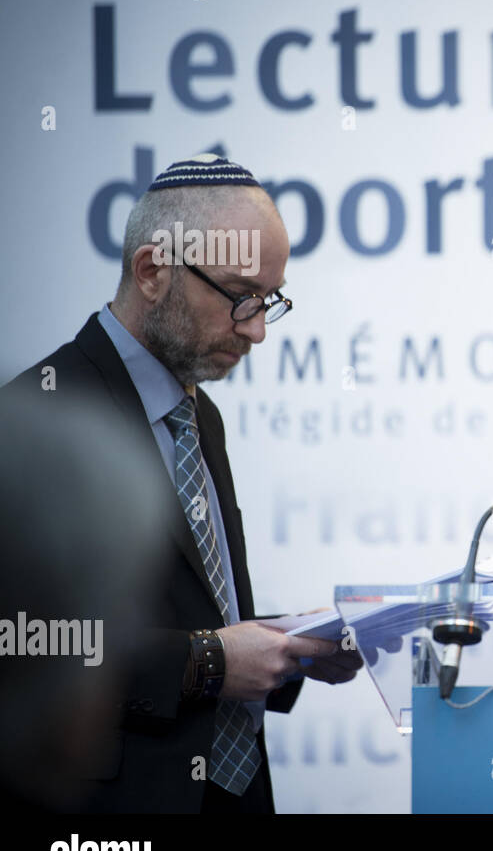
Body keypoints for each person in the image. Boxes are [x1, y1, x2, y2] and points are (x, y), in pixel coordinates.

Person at [0, 154, 362, 813]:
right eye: (239, 296)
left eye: (269, 301)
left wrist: (284, 644)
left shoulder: (200, 413)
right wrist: (211, 662)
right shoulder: (39, 422)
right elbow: (24, 645)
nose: (255, 329)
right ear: (151, 272)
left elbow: (196, 616)